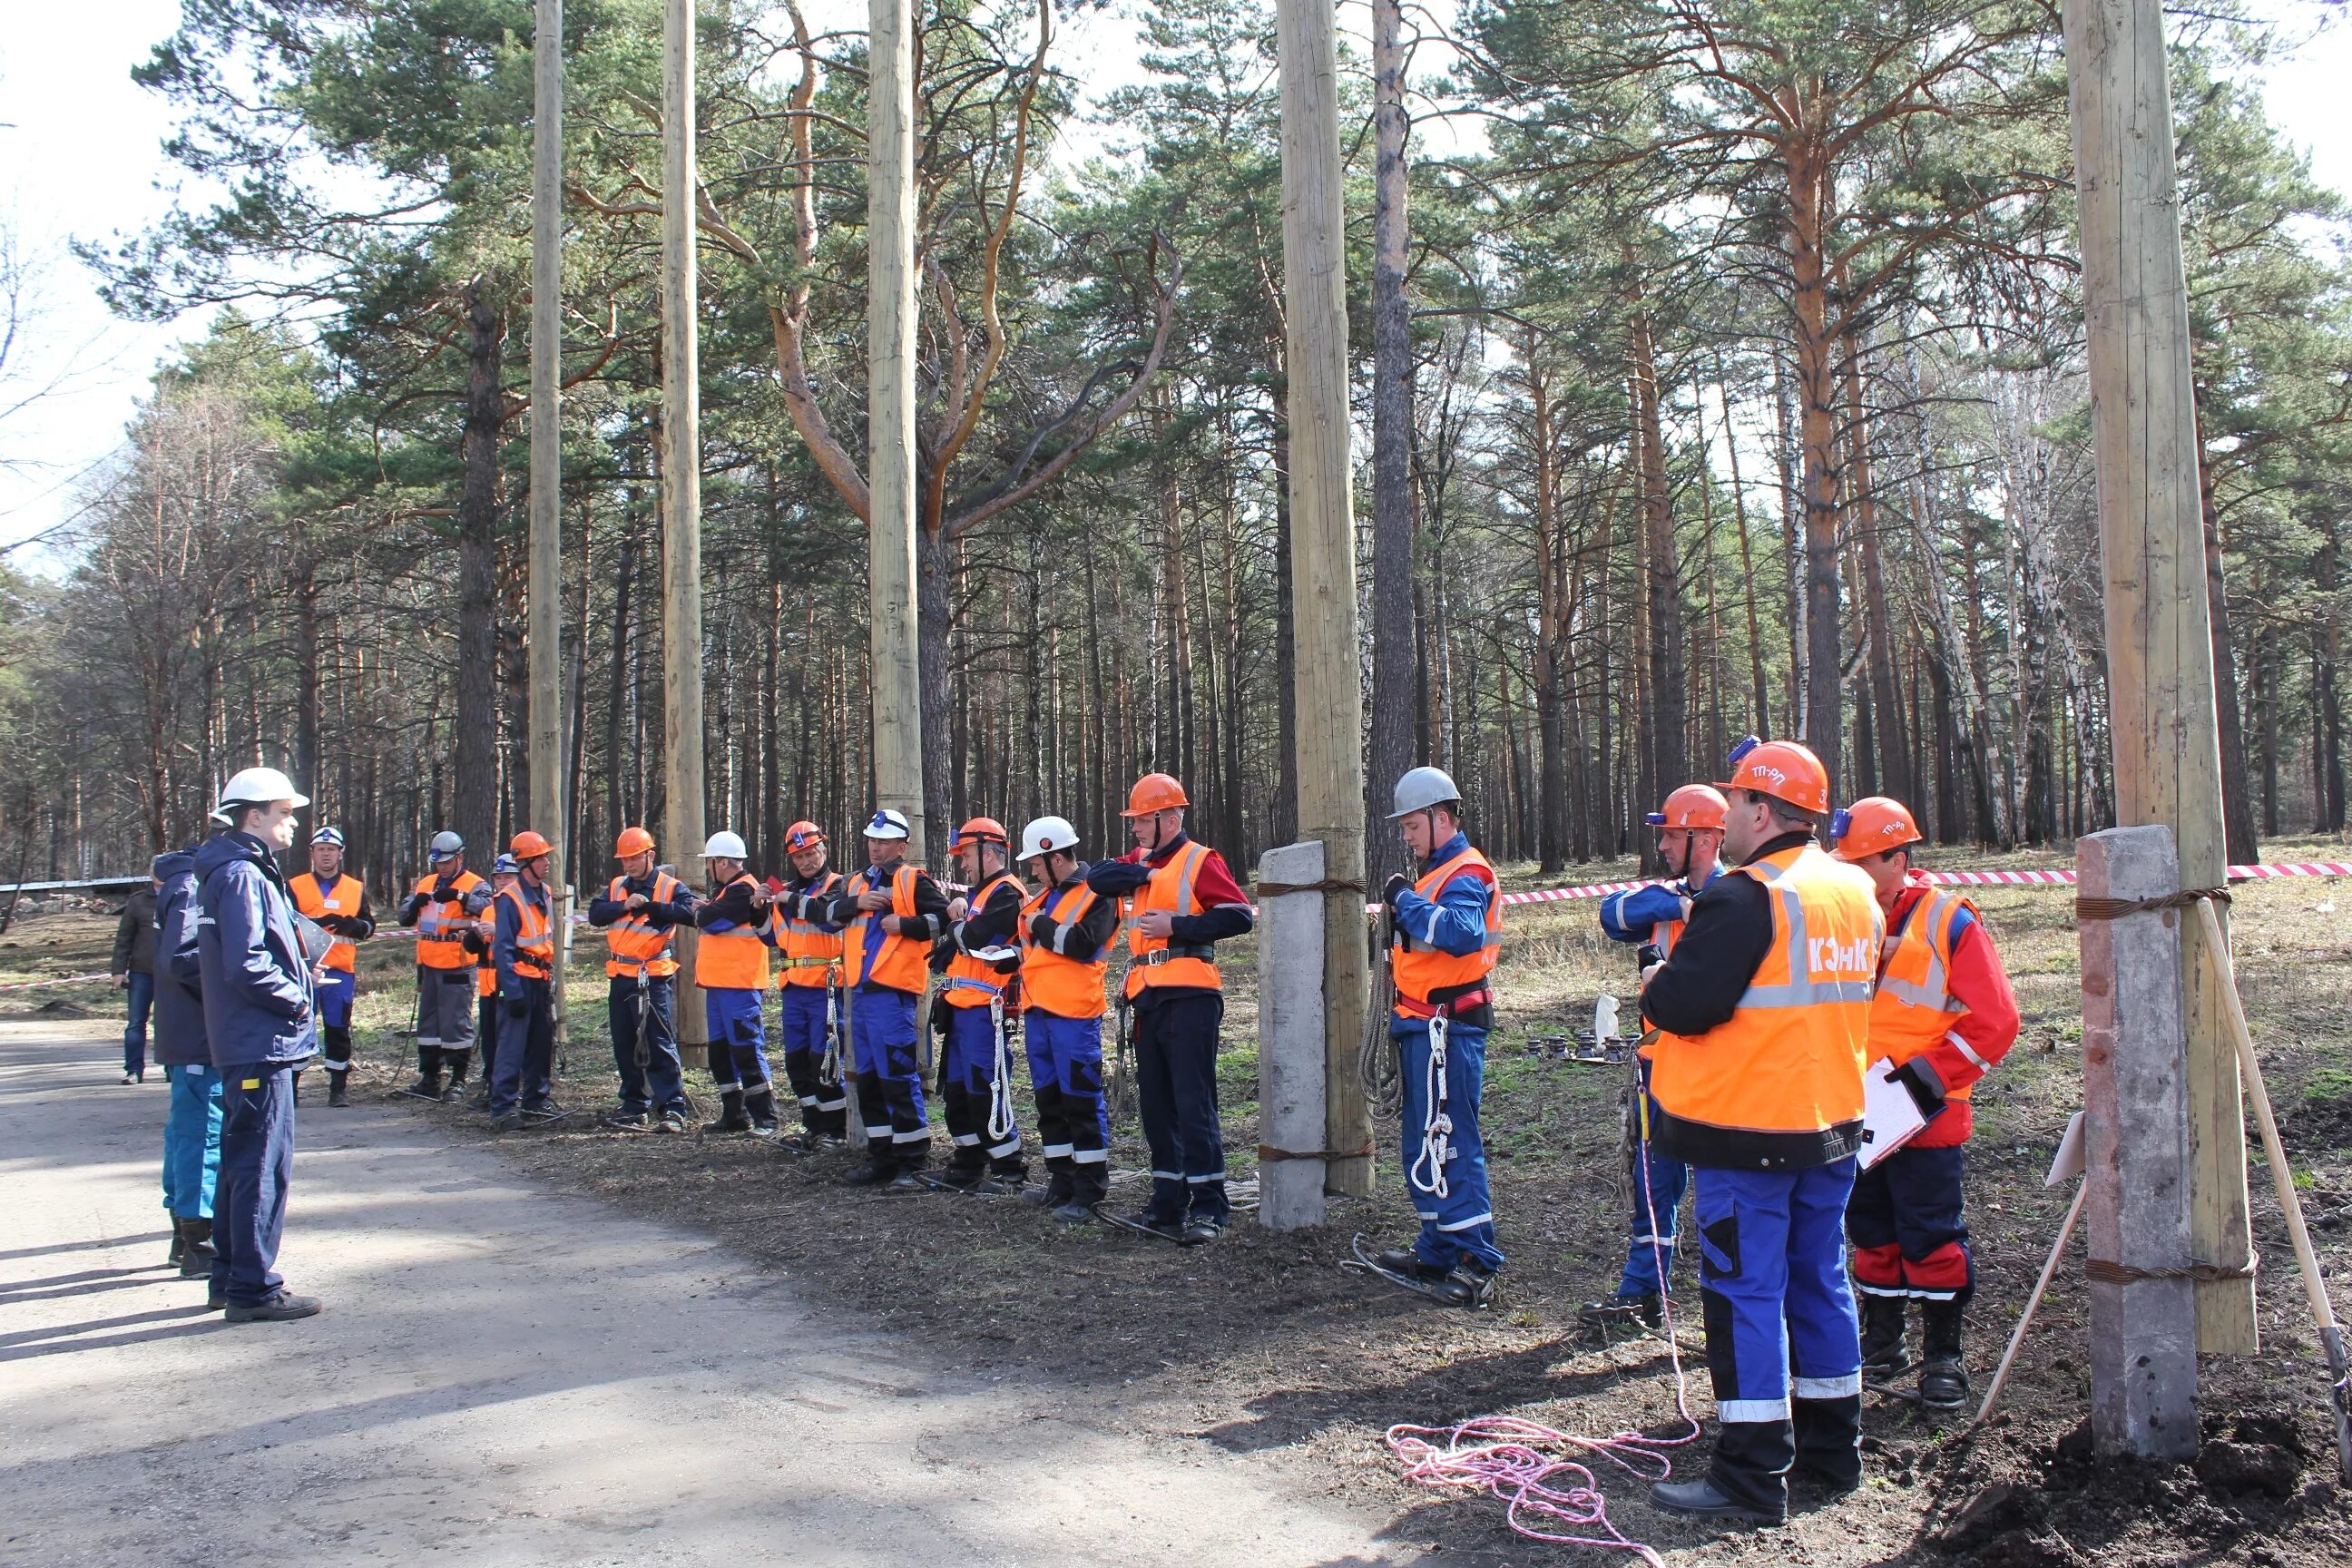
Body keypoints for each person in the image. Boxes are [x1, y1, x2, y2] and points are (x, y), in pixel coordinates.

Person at [1641, 738, 1879, 1524]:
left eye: (1734, 803)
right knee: (1820, 1281)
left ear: (1763, 810)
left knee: (1744, 1292)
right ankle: (1831, 1453)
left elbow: (1683, 1004)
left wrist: (1654, 983)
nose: (1724, 817)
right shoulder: (1852, 890)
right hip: (1833, 1123)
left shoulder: (1748, 896)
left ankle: (1749, 1476)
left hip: (1747, 1131)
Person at [1831, 796, 2021, 1409]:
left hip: (1925, 1119)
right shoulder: (1844, 916)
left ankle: (1945, 1356)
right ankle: (1882, 1341)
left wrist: (1927, 1078)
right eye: (1848, 861)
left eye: (1866, 862)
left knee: (1932, 1238)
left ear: (1900, 857)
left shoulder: (1950, 922)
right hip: (1855, 1115)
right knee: (1871, 1234)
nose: (1855, 874)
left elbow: (1996, 1022)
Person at [1086, 773, 1254, 1245]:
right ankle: (1167, 1202)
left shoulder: (1200, 860)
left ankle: (1209, 1207)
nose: (1136, 829)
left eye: (1142, 820)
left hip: (1190, 993)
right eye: (1135, 821)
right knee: (1156, 1106)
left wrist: (1178, 924)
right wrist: (1144, 872)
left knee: (1192, 1102)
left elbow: (1239, 914)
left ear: (1167, 817)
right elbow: (1097, 877)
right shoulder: (1141, 862)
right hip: (1148, 995)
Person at [1583, 784, 1727, 1329]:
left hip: (1715, 1072)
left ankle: (1725, 1304)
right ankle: (1644, 1290)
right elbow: (1613, 913)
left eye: (1671, 834)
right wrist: (1675, 900)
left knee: (1721, 1192)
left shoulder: (1737, 899)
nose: (1663, 844)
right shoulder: (1666, 898)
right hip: (1659, 1067)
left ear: (1707, 838)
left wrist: (1700, 904)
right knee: (1653, 1182)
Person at [1365, 767, 1505, 1308]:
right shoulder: (1436, 874)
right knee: (1425, 1142)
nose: (1406, 835)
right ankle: (1439, 1247)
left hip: (1449, 1027)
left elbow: (1462, 935)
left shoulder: (1466, 873)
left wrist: (1405, 904)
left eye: (1412, 825)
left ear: (1441, 818)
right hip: (1423, 1026)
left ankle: (1478, 1259)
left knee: (1453, 1141)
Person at [193, 766, 323, 1323]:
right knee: (260, 1165)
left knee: (241, 1161)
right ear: (254, 816)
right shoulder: (242, 875)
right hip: (260, 1040)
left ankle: (230, 1278)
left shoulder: (235, 870)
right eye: (284, 813)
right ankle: (253, 1288)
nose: (292, 823)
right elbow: (247, 962)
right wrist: (296, 999)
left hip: (251, 1038)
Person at [818, 808, 950, 1189]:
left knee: (897, 1074)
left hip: (893, 994)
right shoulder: (856, 881)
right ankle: (882, 1157)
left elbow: (945, 919)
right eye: (872, 841)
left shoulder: (913, 879)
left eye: (884, 842)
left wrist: (905, 924)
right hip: (860, 992)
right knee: (871, 1079)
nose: (876, 848)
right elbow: (827, 916)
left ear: (901, 846)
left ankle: (912, 1160)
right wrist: (856, 904)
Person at [1014, 817, 1122, 1220]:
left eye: (1037, 864)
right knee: (1049, 1101)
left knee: (1080, 1101)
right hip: (1039, 1013)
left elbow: (1081, 944)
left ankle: (1089, 1189)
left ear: (1056, 857)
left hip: (1075, 1015)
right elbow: (1033, 952)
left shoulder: (1099, 893)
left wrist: (1041, 925)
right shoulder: (1042, 898)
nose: (1033, 872)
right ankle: (1060, 1182)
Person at [930, 817, 1028, 1191]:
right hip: (962, 1005)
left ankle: (1008, 1166)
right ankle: (967, 1161)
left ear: (989, 853)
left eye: (966, 855)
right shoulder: (980, 894)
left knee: (985, 1085)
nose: (962, 864)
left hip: (987, 1008)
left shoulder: (1007, 892)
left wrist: (955, 928)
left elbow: (973, 936)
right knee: (957, 1087)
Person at [586, 826, 696, 1133]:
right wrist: (624, 905)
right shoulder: (617, 886)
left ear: (650, 855)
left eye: (635, 858)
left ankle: (672, 1108)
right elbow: (595, 914)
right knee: (624, 1042)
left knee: (659, 1041)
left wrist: (652, 907)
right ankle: (634, 1105)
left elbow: (689, 913)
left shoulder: (669, 886)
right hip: (620, 975)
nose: (630, 864)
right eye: (625, 860)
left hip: (653, 977)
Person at [152, 845, 220, 1281]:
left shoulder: (181, 884)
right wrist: (230, 965)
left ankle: (185, 1232)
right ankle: (197, 1239)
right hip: (198, 1034)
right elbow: (182, 959)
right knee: (200, 1132)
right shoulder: (191, 887)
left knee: (186, 1130)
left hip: (189, 1032)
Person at [692, 830, 782, 1139]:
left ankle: (766, 1118)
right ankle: (734, 1114)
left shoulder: (743, 890)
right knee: (720, 1053)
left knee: (746, 1050)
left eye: (710, 863)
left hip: (740, 985)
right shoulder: (727, 891)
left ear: (722, 862)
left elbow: (712, 921)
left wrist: (701, 911)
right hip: (719, 985)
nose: (708, 869)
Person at [767, 820, 850, 1150]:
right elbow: (769, 937)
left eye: (811, 852)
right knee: (796, 1060)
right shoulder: (784, 891)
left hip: (827, 987)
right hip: (793, 987)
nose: (806, 860)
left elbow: (827, 918)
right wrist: (759, 905)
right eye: (799, 855)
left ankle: (837, 1129)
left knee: (825, 1059)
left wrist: (786, 897)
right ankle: (812, 1125)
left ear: (824, 850)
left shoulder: (839, 884)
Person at [397, 831, 492, 1101]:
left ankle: (458, 1079)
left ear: (459, 858)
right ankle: (429, 1077)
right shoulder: (425, 883)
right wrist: (414, 905)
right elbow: (403, 916)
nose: (442, 867)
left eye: (447, 862)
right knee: (428, 1023)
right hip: (428, 963)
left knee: (456, 1022)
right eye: (438, 863)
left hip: (458, 964)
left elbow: (488, 907)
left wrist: (460, 896)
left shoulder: (475, 884)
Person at [289, 826, 375, 1108]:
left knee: (338, 1027)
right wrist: (313, 923)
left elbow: (369, 926)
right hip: (302, 971)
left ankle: (338, 1088)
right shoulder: (294, 885)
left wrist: (357, 925)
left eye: (331, 849)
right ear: (312, 853)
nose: (326, 854)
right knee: (298, 1026)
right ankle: (291, 1088)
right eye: (321, 849)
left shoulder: (355, 887)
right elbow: (282, 924)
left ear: (340, 854)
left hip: (340, 970)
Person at [489, 830, 562, 1132]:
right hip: (519, 980)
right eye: (541, 858)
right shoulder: (510, 898)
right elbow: (503, 948)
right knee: (512, 1046)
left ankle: (536, 1099)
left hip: (541, 979)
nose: (547, 863)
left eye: (546, 857)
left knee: (540, 1044)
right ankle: (504, 1107)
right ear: (527, 863)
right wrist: (512, 991)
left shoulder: (544, 892)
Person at [110, 868, 159, 1083]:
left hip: (172, 974)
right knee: (136, 1023)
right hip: (141, 973)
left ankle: (171, 1070)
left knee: (169, 1024)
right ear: (150, 873)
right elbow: (124, 937)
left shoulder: (183, 896)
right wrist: (119, 971)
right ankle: (134, 1070)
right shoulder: (138, 902)